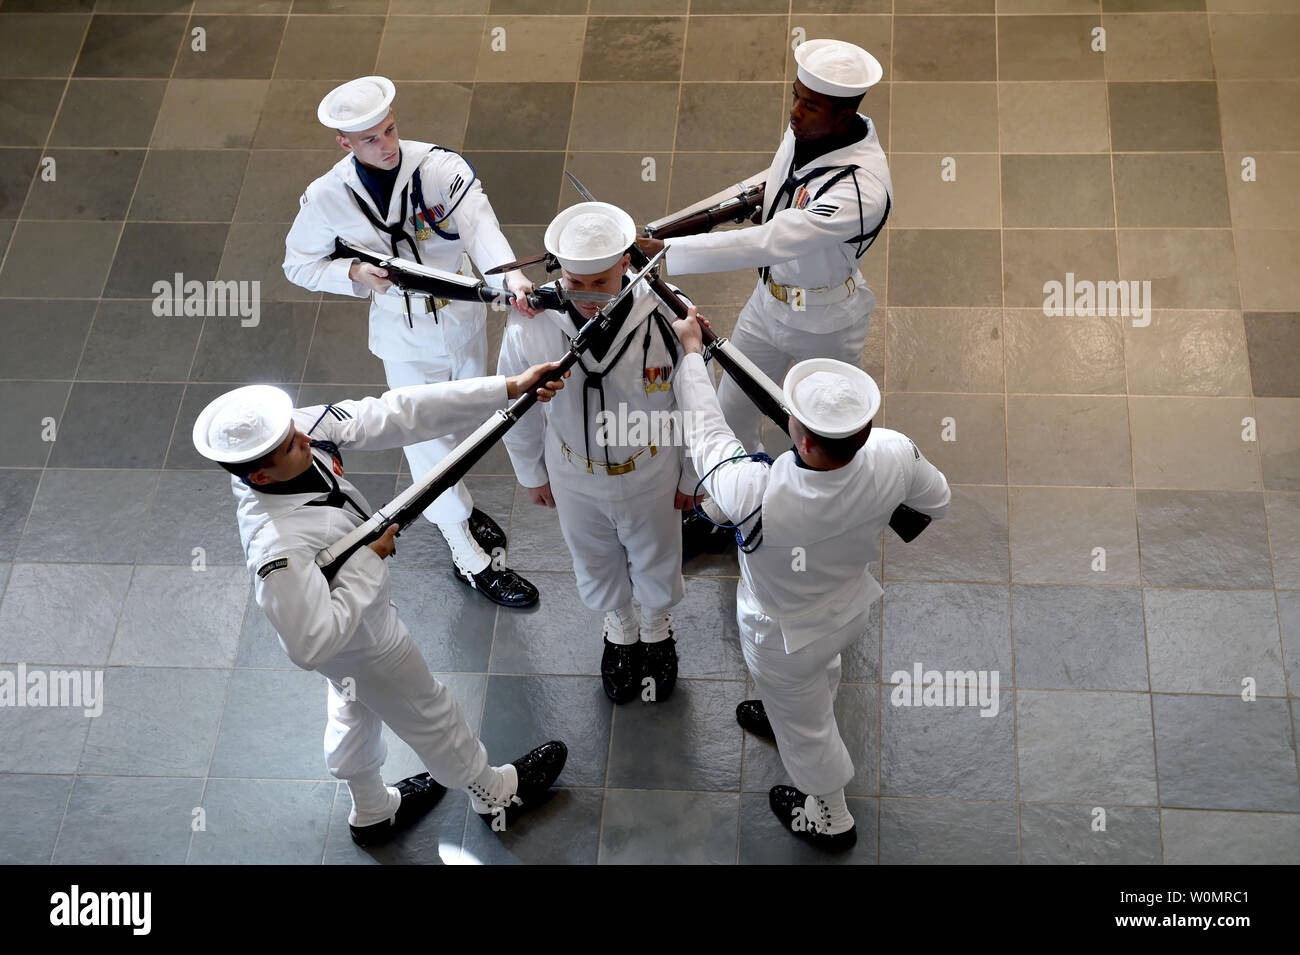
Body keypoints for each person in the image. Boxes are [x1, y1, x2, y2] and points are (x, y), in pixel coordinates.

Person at [192, 365, 570, 847]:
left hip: (353, 637)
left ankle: (372, 810)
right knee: (430, 710)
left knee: (354, 707)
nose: (305, 437)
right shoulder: (277, 549)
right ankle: (493, 794)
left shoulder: (290, 438)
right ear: (260, 474)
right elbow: (309, 644)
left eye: (295, 430)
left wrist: (508, 388)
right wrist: (368, 562)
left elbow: (396, 412)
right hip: (363, 642)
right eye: (292, 445)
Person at [669, 307, 951, 851]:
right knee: (815, 686)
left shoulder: (756, 492)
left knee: (809, 733)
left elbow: (706, 435)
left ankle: (829, 814)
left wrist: (689, 355)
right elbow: (937, 501)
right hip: (847, 608)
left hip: (781, 637)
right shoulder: (892, 451)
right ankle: (793, 712)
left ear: (799, 437)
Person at [284, 75, 539, 608]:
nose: (388, 145)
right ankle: (465, 550)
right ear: (344, 143)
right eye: (371, 139)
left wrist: (510, 277)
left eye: (391, 129)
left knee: (463, 421)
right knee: (425, 439)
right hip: (403, 336)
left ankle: (460, 506)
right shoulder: (327, 196)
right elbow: (298, 264)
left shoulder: (440, 168)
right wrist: (352, 272)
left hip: (463, 322)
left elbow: (480, 227)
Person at [639, 39, 892, 456]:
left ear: (844, 115)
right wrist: (686, 222)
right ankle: (735, 498)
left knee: (831, 428)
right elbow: (776, 183)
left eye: (809, 106)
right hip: (766, 305)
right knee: (731, 407)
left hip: (825, 323)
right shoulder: (809, 131)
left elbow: (769, 241)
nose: (794, 112)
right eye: (796, 97)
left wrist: (666, 250)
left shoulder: (862, 190)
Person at [496, 202, 698, 704]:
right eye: (575, 282)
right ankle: (620, 630)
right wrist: (532, 473)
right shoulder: (532, 324)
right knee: (593, 559)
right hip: (572, 470)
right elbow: (515, 407)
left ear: (627, 264)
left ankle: (655, 628)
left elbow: (697, 403)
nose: (587, 297)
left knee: (657, 555)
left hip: (651, 467)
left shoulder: (670, 318)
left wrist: (691, 477)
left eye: (601, 282)